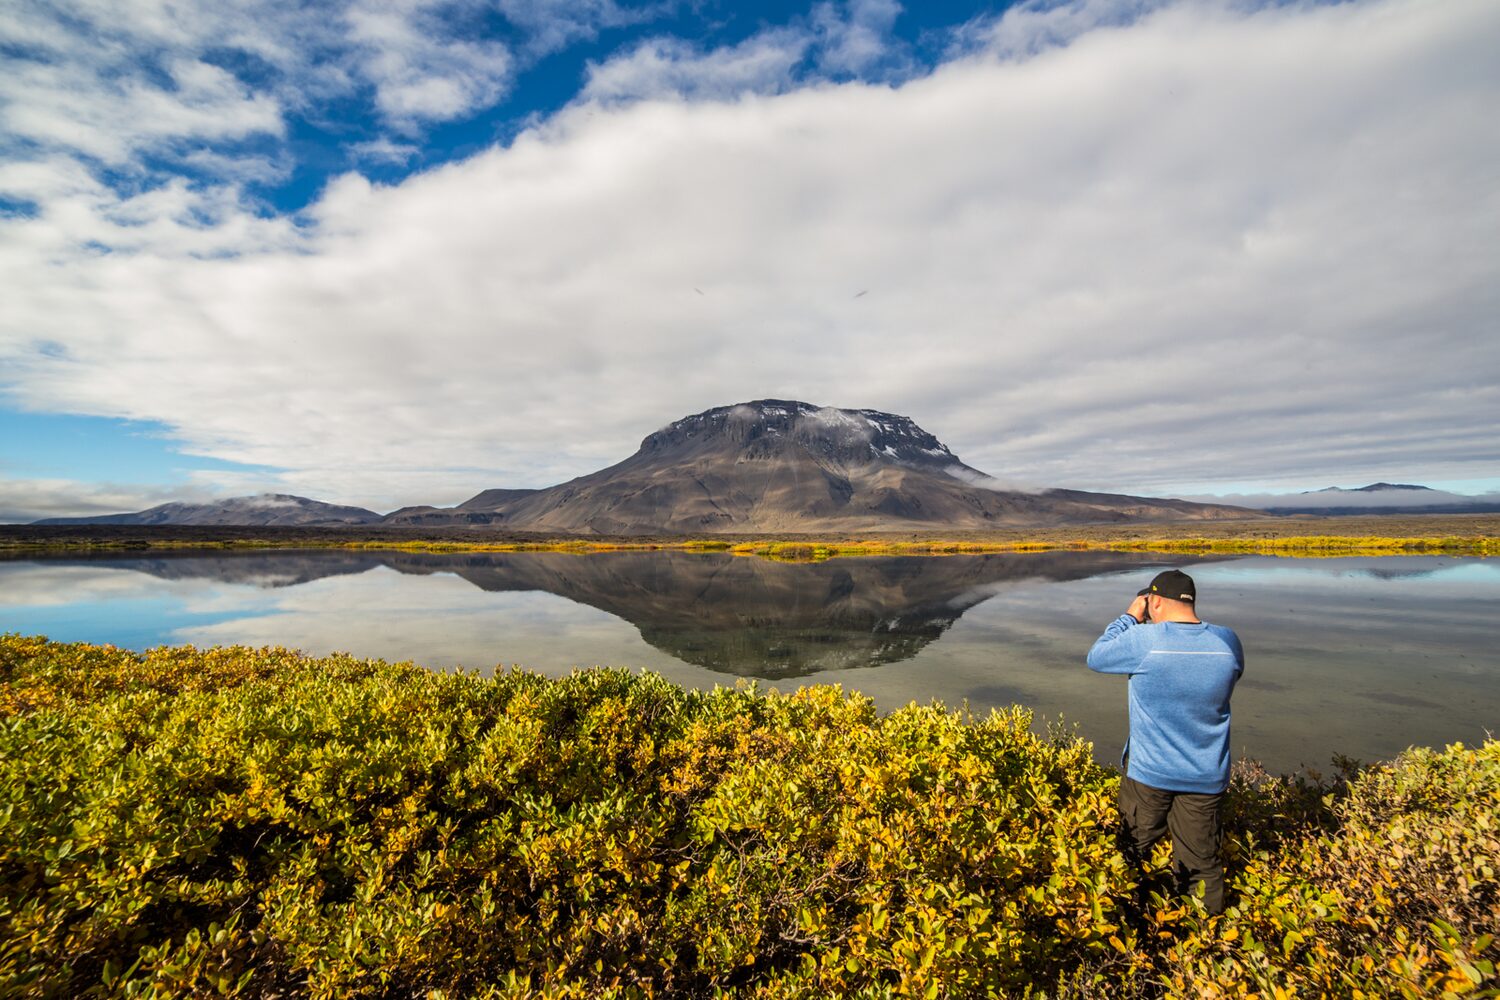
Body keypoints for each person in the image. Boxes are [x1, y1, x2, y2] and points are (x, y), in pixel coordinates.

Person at [1086, 569, 1244, 914]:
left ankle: (1130, 927)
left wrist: (1130, 616)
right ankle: (1203, 945)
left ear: (1154, 601)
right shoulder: (1228, 641)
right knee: (1201, 864)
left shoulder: (1146, 641)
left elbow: (1096, 657)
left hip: (1149, 775)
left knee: (1130, 854)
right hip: (1205, 777)